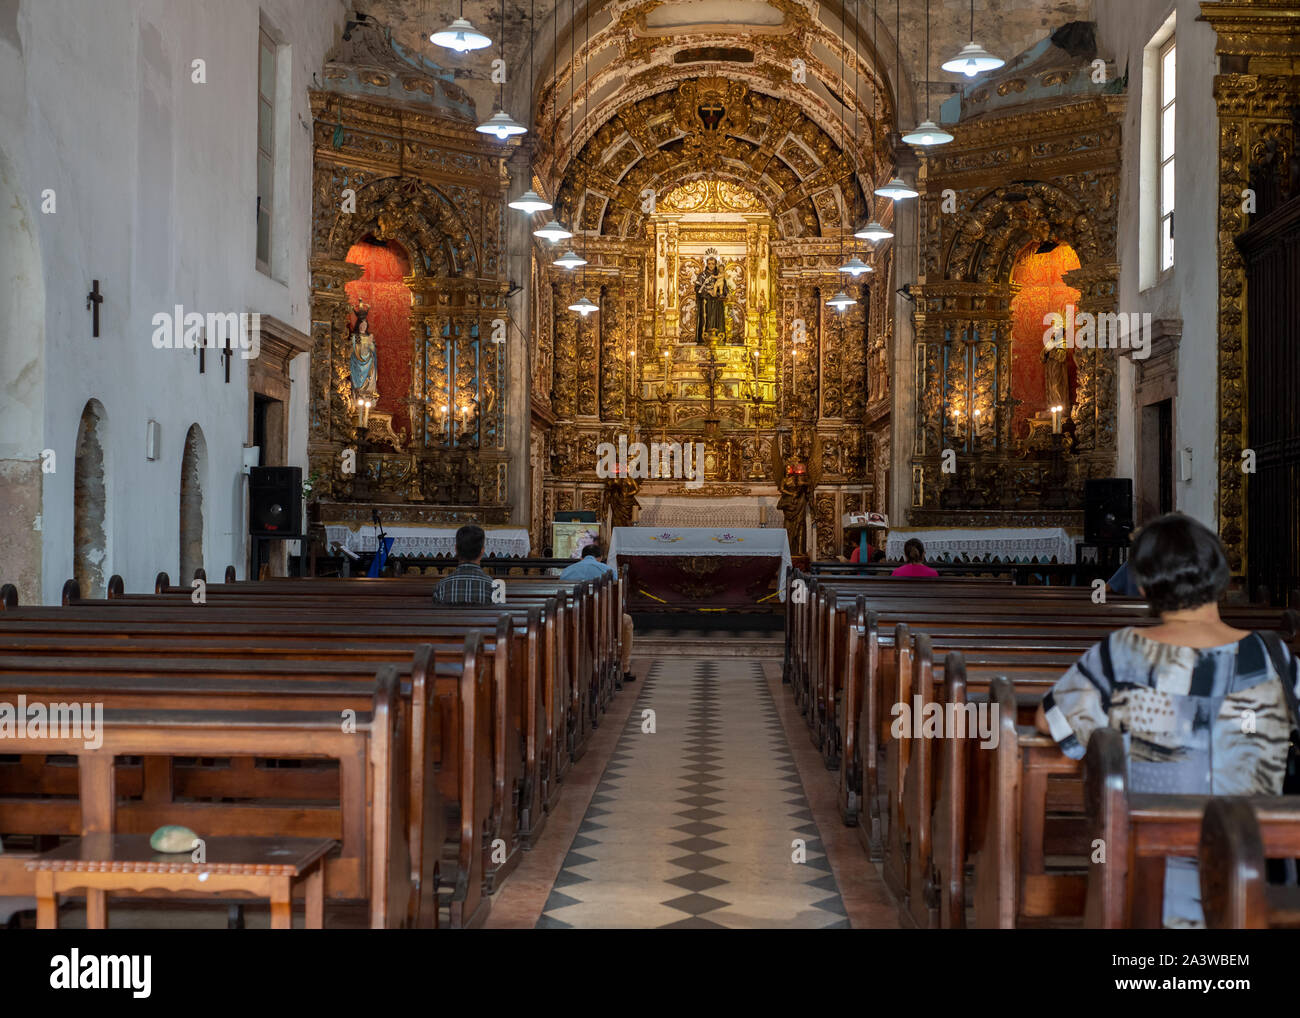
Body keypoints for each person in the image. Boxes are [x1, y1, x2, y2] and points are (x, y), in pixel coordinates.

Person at [1035, 512, 1299, 927]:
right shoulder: (1273, 656)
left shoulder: (1122, 653)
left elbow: (1052, 722)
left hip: (1153, 872)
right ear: (1222, 575)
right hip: (1261, 868)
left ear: (1141, 584)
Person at [561, 543, 636, 684]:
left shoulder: (566, 571)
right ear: (600, 558)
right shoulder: (608, 570)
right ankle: (625, 667)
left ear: (581, 557)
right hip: (603, 619)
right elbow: (615, 598)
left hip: (572, 619)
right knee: (626, 621)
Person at [432, 524, 495, 605]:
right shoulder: (495, 587)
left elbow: (438, 616)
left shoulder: (441, 587)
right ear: (482, 551)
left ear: (456, 549)